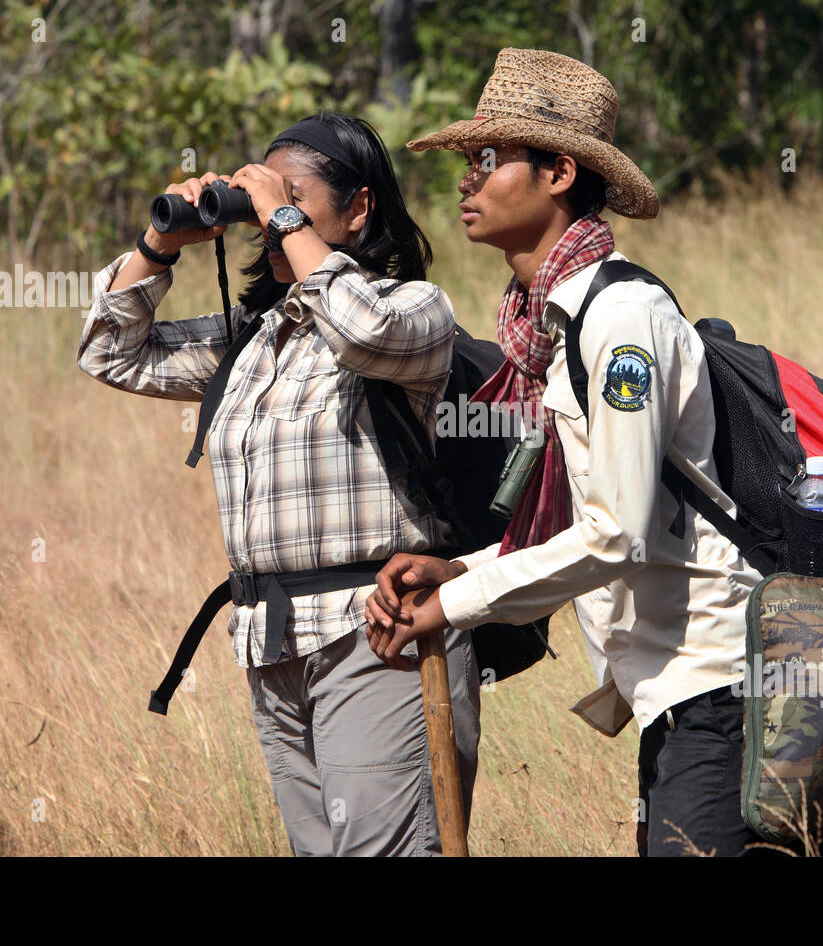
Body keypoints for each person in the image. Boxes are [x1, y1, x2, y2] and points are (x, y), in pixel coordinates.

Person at [363, 49, 766, 857]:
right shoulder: (552, 326)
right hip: (669, 690)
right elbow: (586, 517)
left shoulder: (620, 323)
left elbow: (619, 534)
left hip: (717, 684)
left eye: (487, 159)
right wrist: (463, 570)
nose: (465, 182)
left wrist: (458, 606)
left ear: (558, 173)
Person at [77, 112, 478, 856]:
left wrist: (280, 211)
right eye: (262, 201)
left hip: (380, 634)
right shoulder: (254, 338)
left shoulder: (416, 310)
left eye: (291, 199)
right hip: (271, 640)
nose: (267, 218)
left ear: (358, 208)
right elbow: (112, 354)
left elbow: (360, 331)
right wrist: (159, 245)